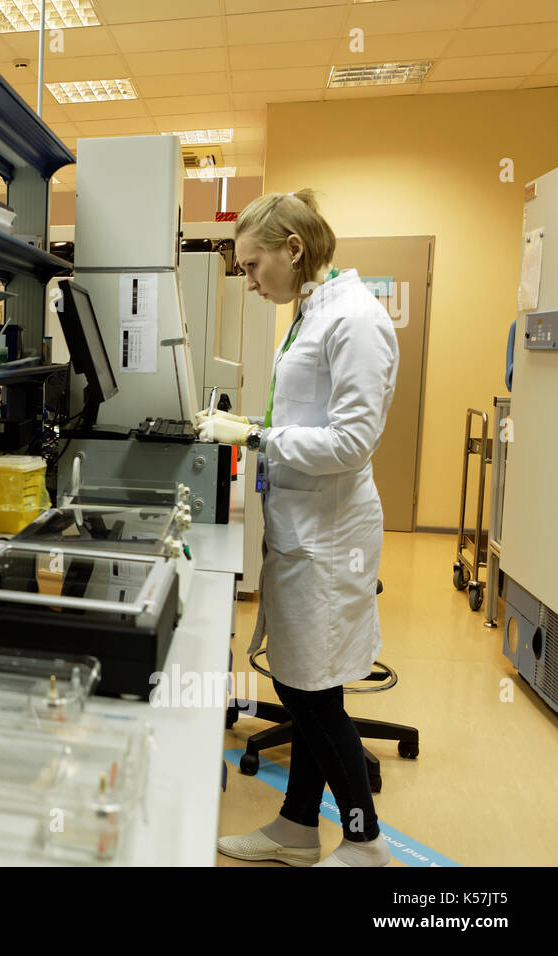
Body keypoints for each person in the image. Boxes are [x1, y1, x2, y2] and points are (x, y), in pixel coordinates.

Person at [198, 190, 399, 868]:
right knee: (306, 681)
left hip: (331, 535)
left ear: (293, 249)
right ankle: (296, 825)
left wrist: (257, 436)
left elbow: (350, 443)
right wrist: (260, 432)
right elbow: (309, 411)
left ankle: (366, 843)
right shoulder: (311, 311)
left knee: (308, 692)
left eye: (253, 267)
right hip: (304, 526)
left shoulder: (356, 320)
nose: (249, 281)